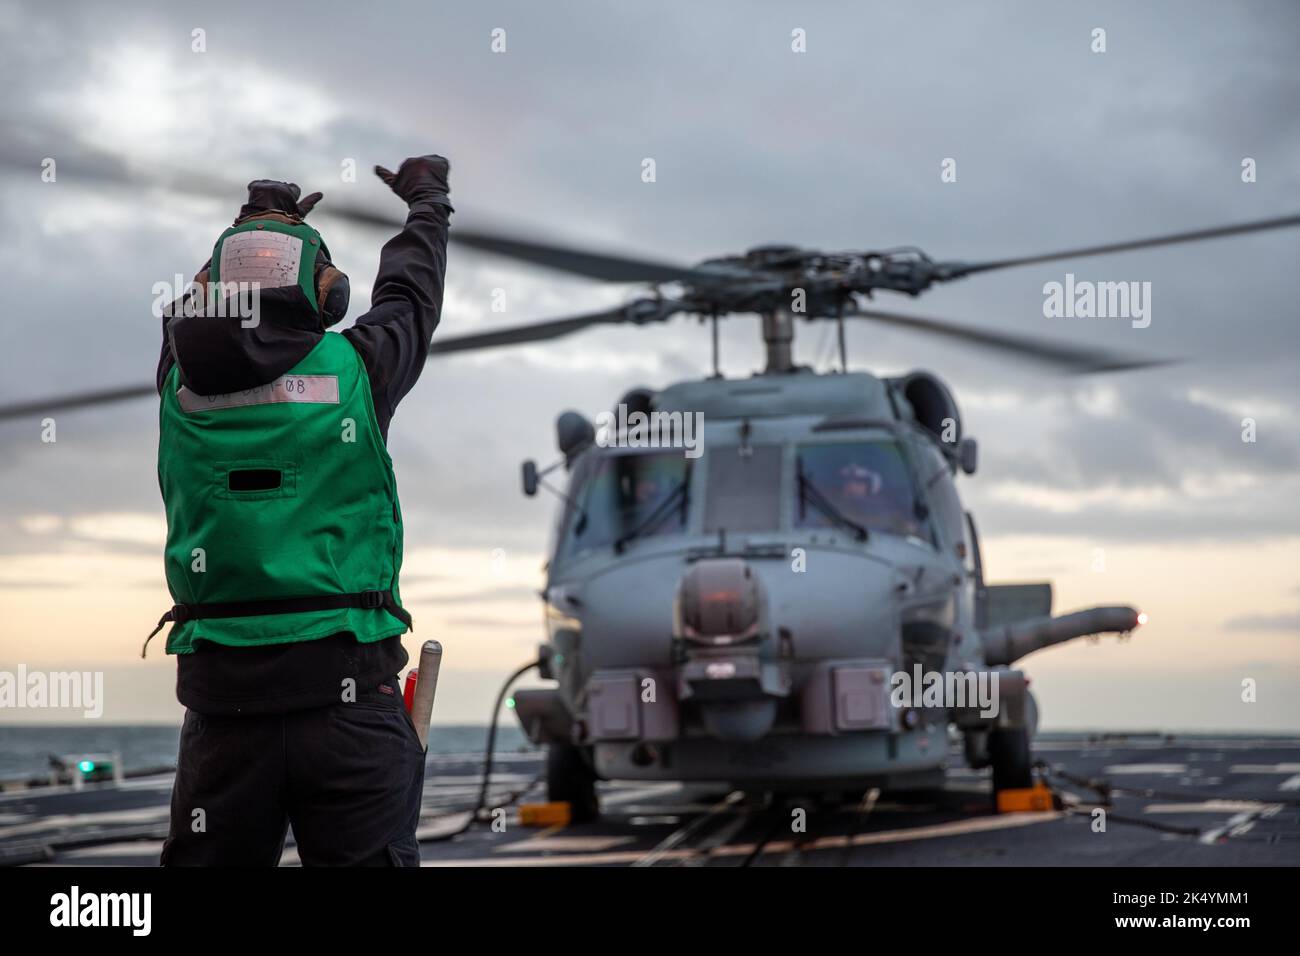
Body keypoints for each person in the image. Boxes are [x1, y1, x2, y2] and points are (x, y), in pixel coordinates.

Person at [151, 156, 452, 866]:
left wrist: (248, 229)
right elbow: (411, 297)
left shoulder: (176, 378)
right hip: (351, 700)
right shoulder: (360, 371)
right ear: (331, 294)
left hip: (223, 715)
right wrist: (427, 207)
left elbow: (194, 311)